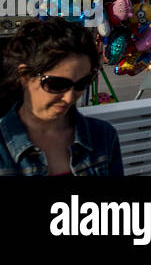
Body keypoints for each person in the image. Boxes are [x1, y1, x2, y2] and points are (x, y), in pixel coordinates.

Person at [0, 17, 124, 176]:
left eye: (82, 83)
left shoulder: (103, 136)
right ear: (24, 76)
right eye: (56, 85)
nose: (70, 97)